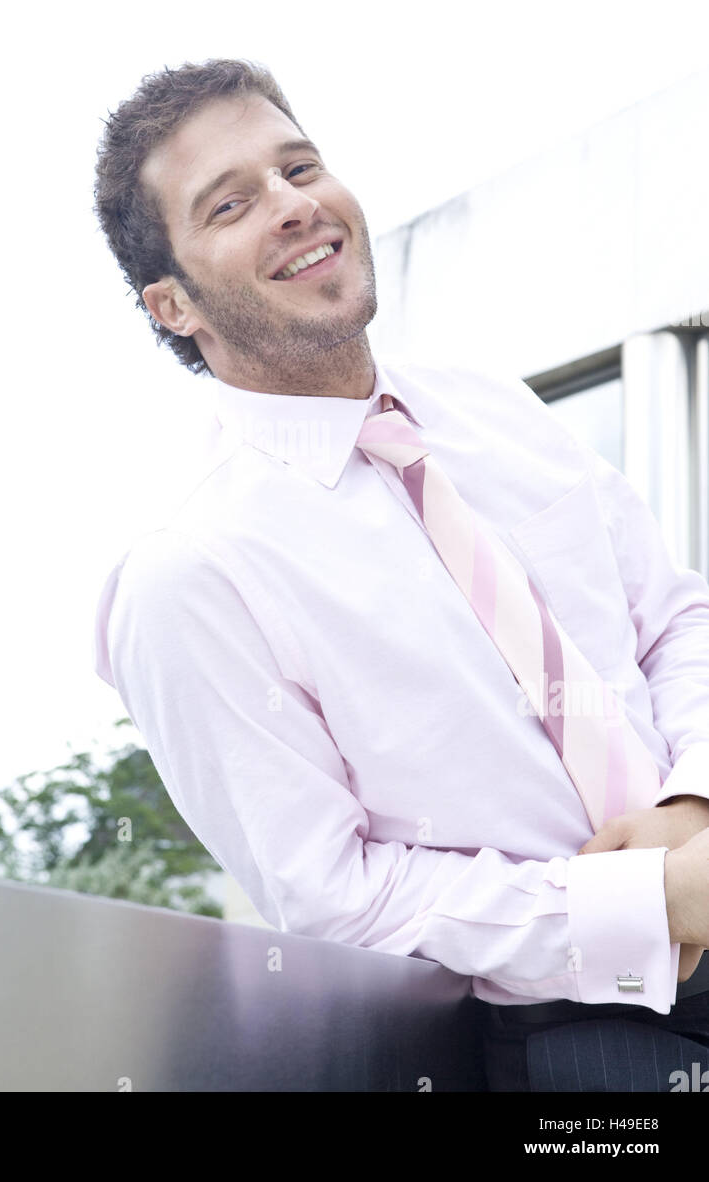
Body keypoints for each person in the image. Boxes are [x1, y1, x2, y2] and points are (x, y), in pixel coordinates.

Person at [91, 58, 709, 1091]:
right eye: (232, 203)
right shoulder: (187, 577)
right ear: (172, 303)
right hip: (570, 1030)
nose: (291, 206)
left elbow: (671, 618)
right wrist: (650, 905)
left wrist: (691, 803)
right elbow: (337, 898)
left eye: (299, 167)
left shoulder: (492, 408)